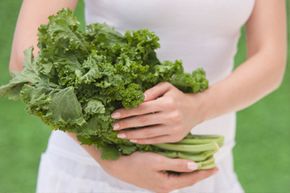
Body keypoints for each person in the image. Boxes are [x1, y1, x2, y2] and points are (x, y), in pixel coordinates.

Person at [9, 0, 287, 193]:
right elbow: (26, 59)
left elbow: (270, 58)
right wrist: (110, 160)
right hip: (95, 174)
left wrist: (198, 107)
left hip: (208, 174)